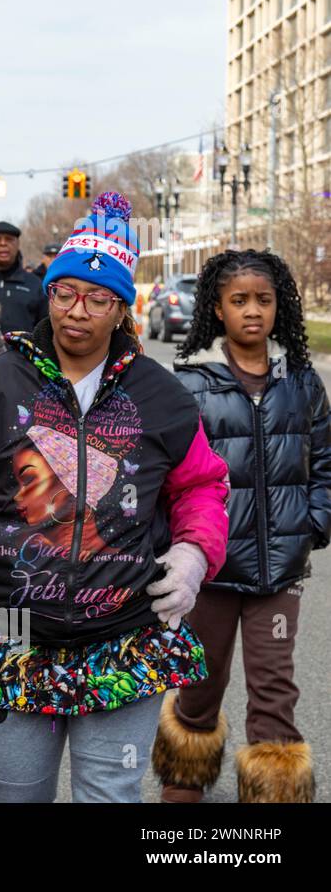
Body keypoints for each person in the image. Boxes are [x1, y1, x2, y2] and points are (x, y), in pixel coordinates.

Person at [0, 193, 230, 803]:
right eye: (64, 293)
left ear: (121, 308)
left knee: (111, 792)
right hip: (11, 634)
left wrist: (193, 556)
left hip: (126, 633)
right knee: (13, 793)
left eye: (98, 298)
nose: (76, 311)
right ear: (48, 293)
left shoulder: (162, 396)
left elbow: (201, 487)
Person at [157, 249, 329, 803]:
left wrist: (312, 524)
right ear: (218, 309)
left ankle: (275, 794)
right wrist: (180, 547)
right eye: (239, 301)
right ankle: (185, 774)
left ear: (280, 305)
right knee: (202, 684)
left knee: (275, 687)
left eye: (264, 299)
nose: (252, 311)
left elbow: (324, 463)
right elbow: (168, 475)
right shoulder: (189, 385)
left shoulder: (302, 383)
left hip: (279, 574)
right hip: (209, 570)